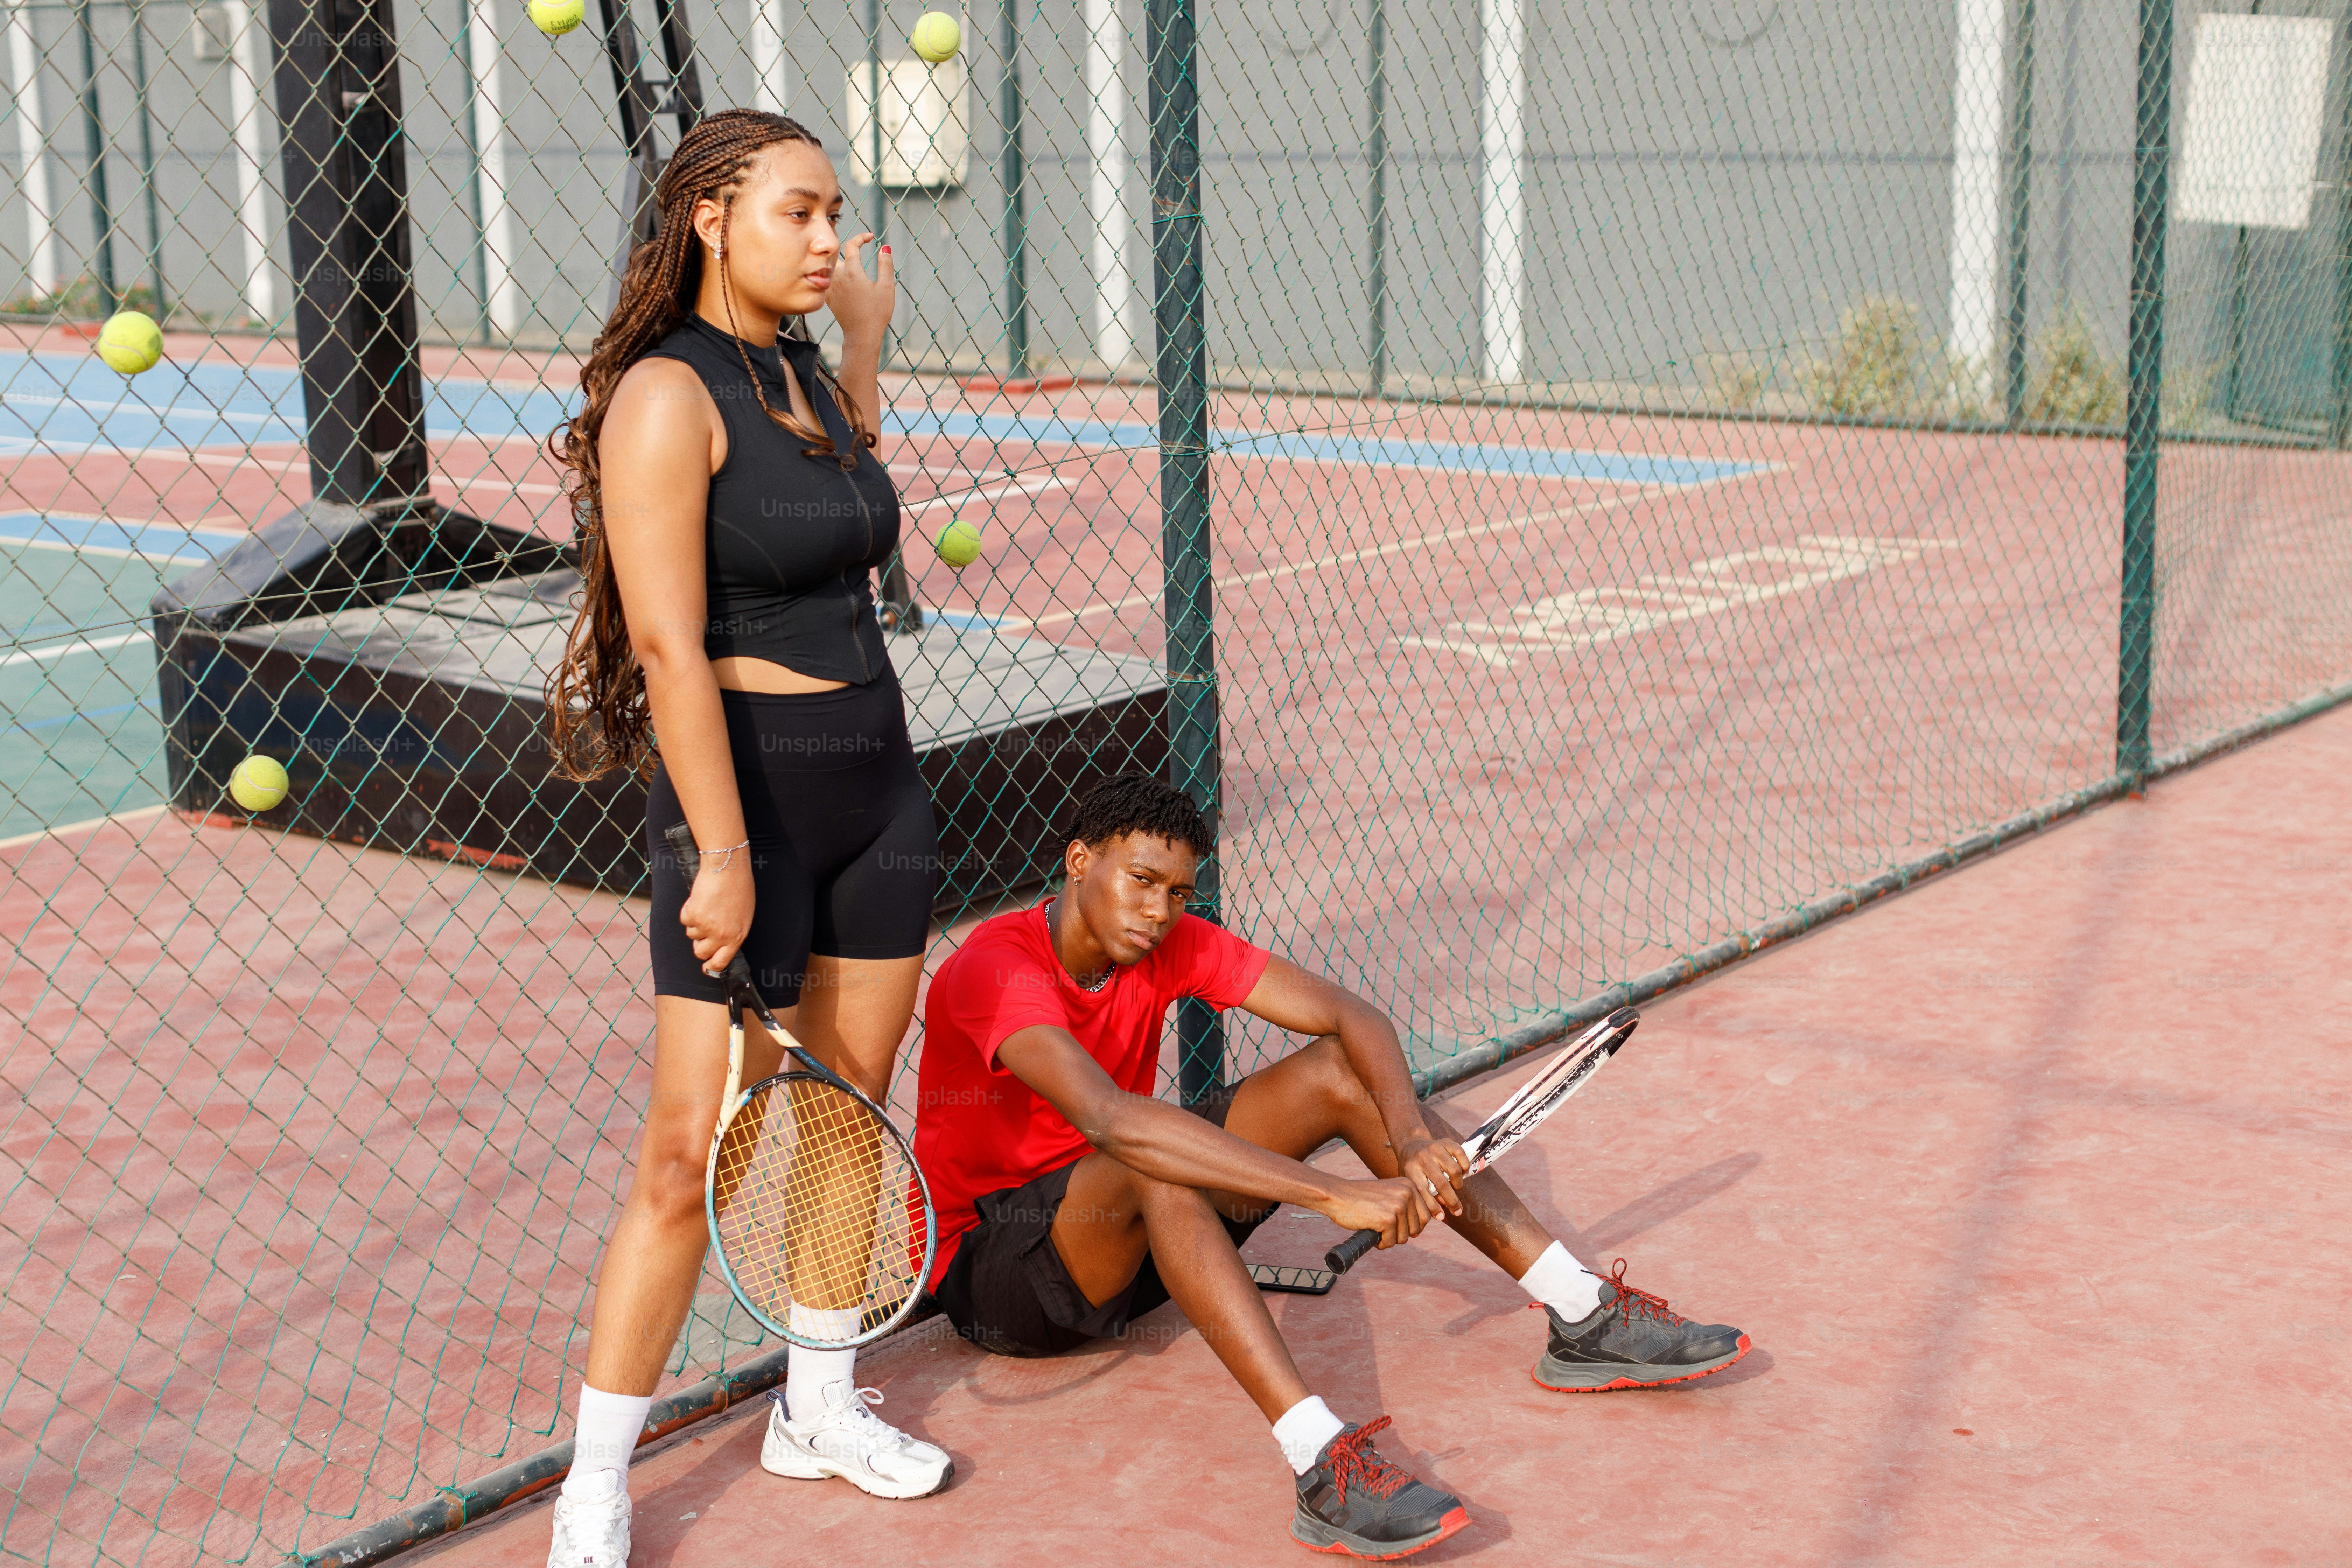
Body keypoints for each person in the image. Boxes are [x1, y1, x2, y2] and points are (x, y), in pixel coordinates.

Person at [917, 772, 1751, 1559]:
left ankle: (1582, 1310)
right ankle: (1319, 1461)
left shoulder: (1163, 943)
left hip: (1131, 1233)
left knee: (1336, 1073)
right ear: (1079, 861)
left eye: (1177, 893)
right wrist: (1336, 1196)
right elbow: (1111, 1119)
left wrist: (1411, 1137)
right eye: (1140, 880)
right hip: (1001, 1271)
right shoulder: (998, 967)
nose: (1159, 910)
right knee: (1150, 1152)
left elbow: (1351, 1015)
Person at [542, 108, 950, 1567]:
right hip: (751, 800)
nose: (832, 239)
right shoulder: (671, 393)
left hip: (880, 789)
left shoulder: (799, 376)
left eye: (836, 213)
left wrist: (864, 348)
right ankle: (598, 1486)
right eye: (803, 213)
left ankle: (818, 1405)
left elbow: (842, 514)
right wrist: (718, 850)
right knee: (680, 1156)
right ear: (713, 216)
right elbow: (664, 640)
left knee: (846, 1104)